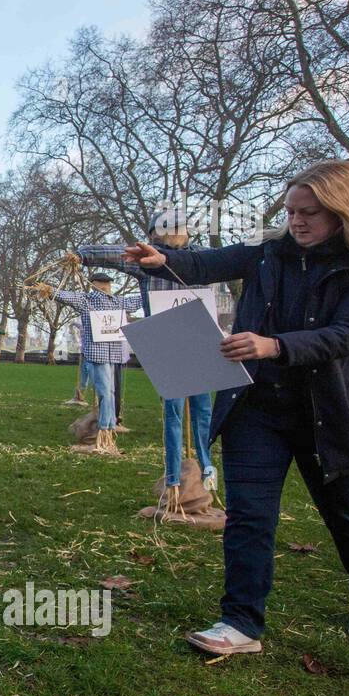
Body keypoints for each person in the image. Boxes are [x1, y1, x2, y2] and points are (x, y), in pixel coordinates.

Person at [124, 160, 349, 653]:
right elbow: (207, 262)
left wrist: (272, 346)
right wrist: (160, 260)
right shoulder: (267, 252)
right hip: (257, 408)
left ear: (344, 212)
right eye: (292, 211)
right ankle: (240, 622)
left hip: (332, 415)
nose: (297, 221)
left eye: (310, 213)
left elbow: (346, 335)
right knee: (249, 516)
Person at [77, 212, 217, 496]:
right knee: (174, 413)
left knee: (203, 411)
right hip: (165, 344)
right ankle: (175, 481)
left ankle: (206, 471)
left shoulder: (203, 258)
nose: (172, 233)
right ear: (153, 234)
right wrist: (81, 255)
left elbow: (235, 260)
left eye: (177, 227)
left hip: (198, 342)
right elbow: (115, 254)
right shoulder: (147, 262)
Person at [36, 272, 142, 453]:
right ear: (98, 284)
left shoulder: (106, 301)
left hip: (107, 353)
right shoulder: (102, 301)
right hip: (104, 354)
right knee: (107, 393)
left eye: (107, 283)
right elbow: (141, 299)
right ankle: (105, 432)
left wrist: (50, 289)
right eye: (105, 283)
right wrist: (51, 290)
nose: (107, 286)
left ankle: (106, 433)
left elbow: (65, 295)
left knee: (107, 392)